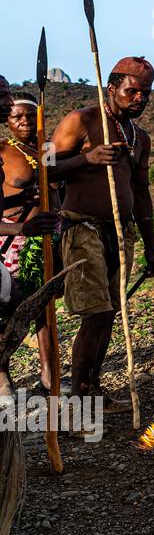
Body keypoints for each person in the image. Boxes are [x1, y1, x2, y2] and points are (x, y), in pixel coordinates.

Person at [50, 56, 154, 409]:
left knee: (112, 311)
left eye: (145, 93)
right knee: (96, 312)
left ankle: (93, 390)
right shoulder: (81, 120)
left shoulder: (139, 137)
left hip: (121, 231)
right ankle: (78, 399)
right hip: (82, 228)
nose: (140, 99)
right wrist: (88, 159)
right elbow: (46, 166)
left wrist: (150, 245)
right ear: (112, 88)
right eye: (132, 91)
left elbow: (141, 191)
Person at [1, 90, 60, 392]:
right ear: (8, 122)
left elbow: (56, 182)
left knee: (44, 305)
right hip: (14, 237)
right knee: (12, 307)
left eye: (31, 116)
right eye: (17, 116)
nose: (25, 121)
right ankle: (2, 371)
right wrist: (22, 226)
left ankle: (49, 373)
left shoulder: (47, 148)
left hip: (49, 235)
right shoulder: (2, 150)